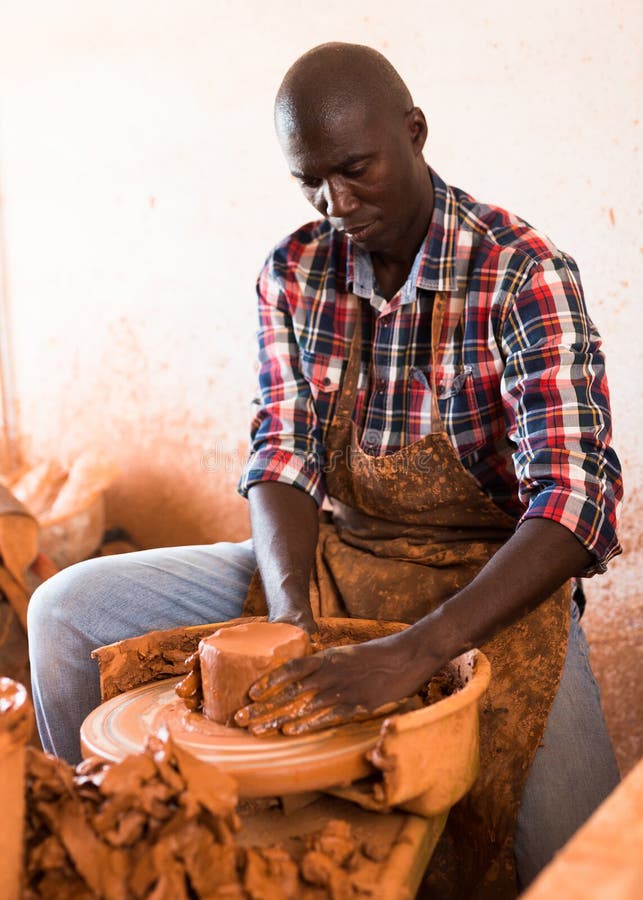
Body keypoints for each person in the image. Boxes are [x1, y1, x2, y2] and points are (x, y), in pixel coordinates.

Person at [28, 42, 622, 894]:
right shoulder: (296, 270)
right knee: (64, 610)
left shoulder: (519, 272)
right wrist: (289, 611)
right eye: (310, 179)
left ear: (414, 132)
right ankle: (128, 845)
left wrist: (413, 654)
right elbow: (281, 454)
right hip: (338, 565)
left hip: (492, 591)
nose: (335, 203)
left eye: (354, 169)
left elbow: (576, 502)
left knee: (583, 863)